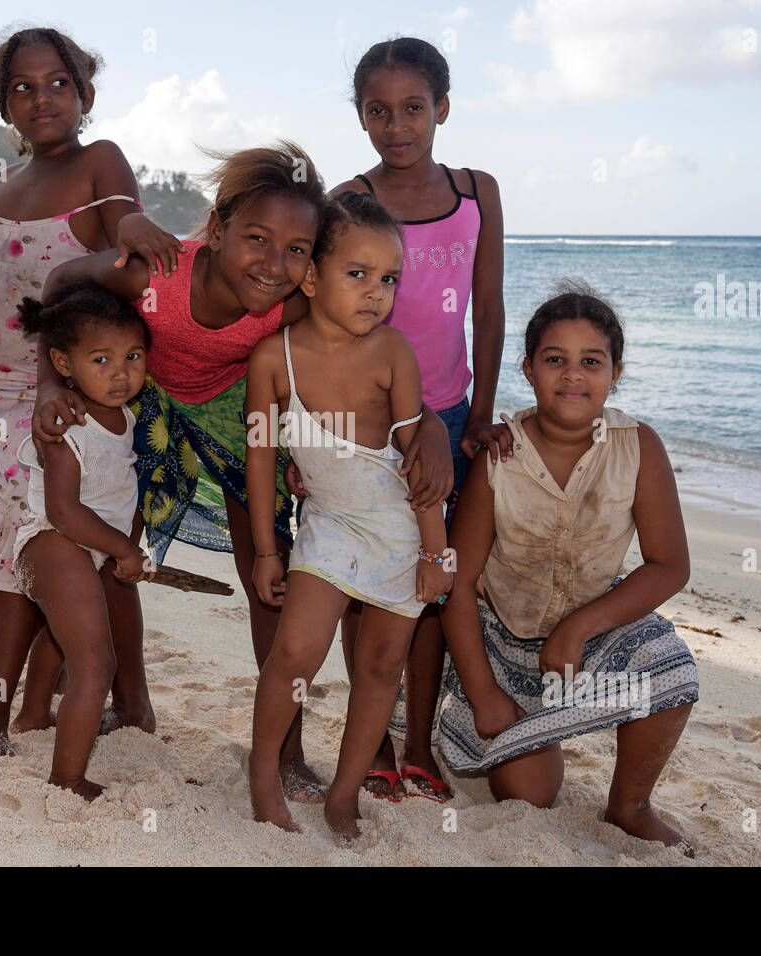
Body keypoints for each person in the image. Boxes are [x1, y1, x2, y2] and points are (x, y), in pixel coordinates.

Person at [37, 144, 456, 803]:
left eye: (297, 249)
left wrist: (426, 421)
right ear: (217, 226)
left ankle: (286, 753)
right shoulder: (155, 270)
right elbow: (61, 284)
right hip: (148, 397)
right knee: (120, 539)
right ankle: (132, 699)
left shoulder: (287, 305)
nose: (274, 263)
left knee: (272, 571)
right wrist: (43, 386)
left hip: (236, 408)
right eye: (256, 238)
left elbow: (359, 353)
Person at [0, 26, 179, 754]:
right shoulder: (8, 185)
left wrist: (139, 222)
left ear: (85, 91)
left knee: (49, 541)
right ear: (4, 106)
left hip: (59, 393)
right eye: (22, 88)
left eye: (58, 82)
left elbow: (121, 217)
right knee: (22, 541)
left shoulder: (100, 160)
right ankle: (25, 704)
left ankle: (15, 708)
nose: (42, 98)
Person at [301, 36, 512, 801]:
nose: (398, 125)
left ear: (442, 110)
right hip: (360, 424)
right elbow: (317, 310)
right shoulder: (347, 203)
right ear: (360, 118)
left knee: (428, 583)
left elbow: (487, 312)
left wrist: (479, 413)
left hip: (448, 416)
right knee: (366, 581)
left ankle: (419, 744)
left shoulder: (476, 191)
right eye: (378, 111)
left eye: (413, 108)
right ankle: (375, 750)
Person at [440, 282, 700, 854]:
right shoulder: (501, 456)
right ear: (529, 368)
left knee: (672, 670)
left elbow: (669, 566)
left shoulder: (638, 447)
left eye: (591, 362)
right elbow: (457, 584)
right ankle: (533, 728)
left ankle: (629, 806)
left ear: (616, 372)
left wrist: (580, 626)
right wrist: (484, 694)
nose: (573, 375)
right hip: (502, 640)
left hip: (588, 635)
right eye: (555, 360)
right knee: (526, 795)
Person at [245, 190, 453, 841]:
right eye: (357, 274)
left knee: (381, 668)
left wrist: (436, 555)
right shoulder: (271, 358)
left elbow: (419, 470)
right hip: (327, 527)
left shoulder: (394, 353)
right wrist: (266, 550)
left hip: (398, 530)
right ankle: (261, 773)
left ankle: (343, 793)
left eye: (388, 278)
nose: (374, 292)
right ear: (310, 277)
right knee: (296, 652)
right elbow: (258, 460)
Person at [10, 280, 155, 800]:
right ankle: (68, 777)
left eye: (133, 356)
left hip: (86, 544)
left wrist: (128, 541)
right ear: (63, 364)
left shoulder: (128, 417)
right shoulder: (69, 424)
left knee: (64, 635)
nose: (121, 372)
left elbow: (118, 491)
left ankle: (31, 716)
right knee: (95, 664)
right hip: (54, 540)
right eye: (101, 359)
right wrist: (120, 548)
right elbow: (64, 509)